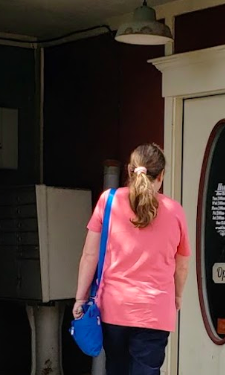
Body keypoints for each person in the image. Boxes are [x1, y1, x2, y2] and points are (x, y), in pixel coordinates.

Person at [74, 143, 190, 375]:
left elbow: (90, 255)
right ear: (162, 176)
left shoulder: (109, 201)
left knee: (116, 368)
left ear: (129, 170)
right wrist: (177, 295)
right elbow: (182, 265)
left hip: (114, 308)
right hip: (155, 311)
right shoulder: (175, 211)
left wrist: (80, 297)